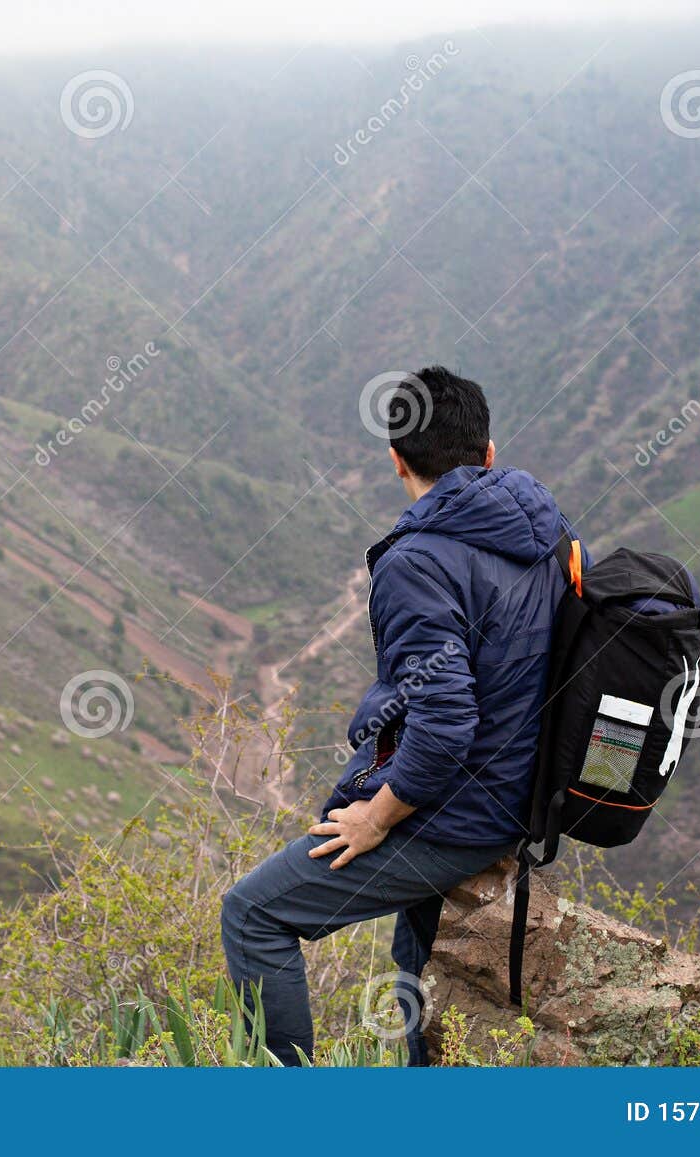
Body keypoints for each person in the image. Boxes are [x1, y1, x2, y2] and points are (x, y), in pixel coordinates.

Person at [220, 365, 582, 1066]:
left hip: (461, 809)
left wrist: (375, 817)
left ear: (395, 461)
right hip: (522, 793)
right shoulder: (550, 533)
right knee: (415, 956)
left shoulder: (419, 561)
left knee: (255, 914)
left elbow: (445, 726)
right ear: (489, 454)